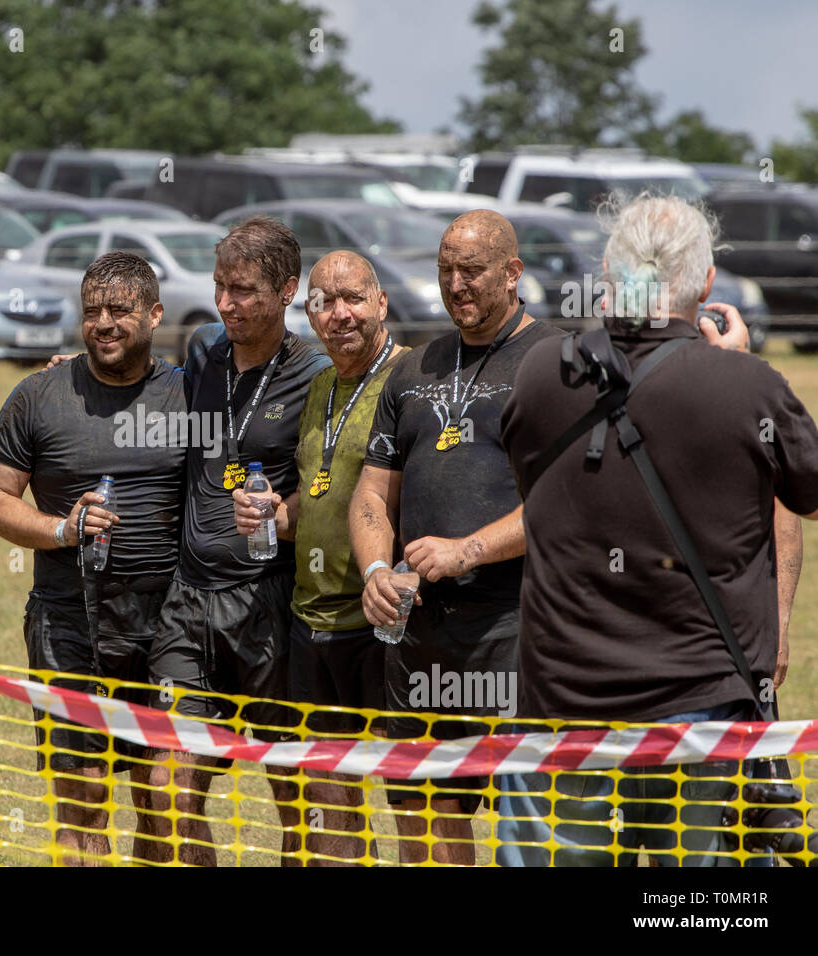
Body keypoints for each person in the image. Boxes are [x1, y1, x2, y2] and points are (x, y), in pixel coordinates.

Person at [498, 193, 818, 866]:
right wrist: (736, 368)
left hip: (562, 705)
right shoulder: (748, 386)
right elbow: (808, 494)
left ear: (609, 278)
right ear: (704, 285)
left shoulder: (539, 372)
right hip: (701, 708)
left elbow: (536, 488)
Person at [348, 209, 560, 865]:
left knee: (524, 815)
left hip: (514, 628)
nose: (455, 283)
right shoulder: (415, 368)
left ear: (513, 272)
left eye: (471, 270)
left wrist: (464, 551)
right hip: (416, 634)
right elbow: (371, 494)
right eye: (445, 269)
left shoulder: (553, 361)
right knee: (421, 809)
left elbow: (561, 503)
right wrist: (377, 572)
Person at [0, 252, 187, 865]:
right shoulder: (38, 396)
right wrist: (62, 529)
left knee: (166, 792)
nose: (104, 322)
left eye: (120, 310)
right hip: (68, 619)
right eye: (92, 310)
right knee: (83, 792)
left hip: (169, 622)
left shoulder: (189, 396)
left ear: (154, 314)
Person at [147, 216, 330, 866]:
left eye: (245, 291)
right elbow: (145, 384)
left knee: (296, 792)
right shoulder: (203, 349)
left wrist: (286, 513)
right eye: (222, 287)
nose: (227, 304)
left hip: (271, 608)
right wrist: (71, 371)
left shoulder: (316, 376)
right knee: (170, 788)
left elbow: (335, 491)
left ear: (287, 290)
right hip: (188, 603)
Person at [232, 250, 407, 865]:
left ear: (381, 302)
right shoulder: (319, 387)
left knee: (410, 803)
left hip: (383, 624)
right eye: (324, 303)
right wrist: (273, 517)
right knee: (331, 796)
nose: (339, 314)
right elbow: (317, 496)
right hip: (312, 624)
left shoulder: (410, 379)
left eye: (353, 298)